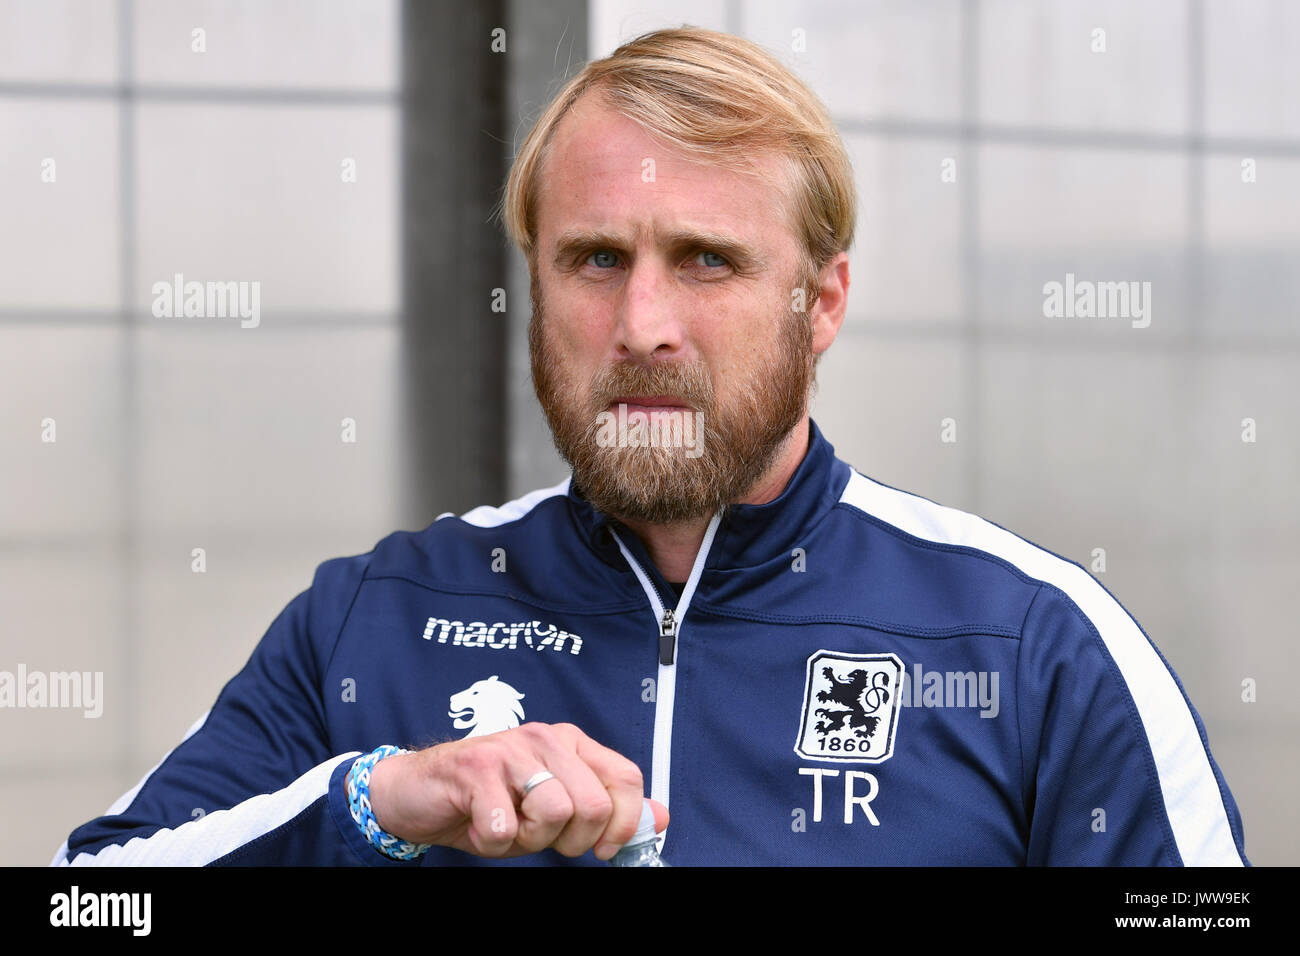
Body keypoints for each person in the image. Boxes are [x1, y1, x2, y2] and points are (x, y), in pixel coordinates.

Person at [54, 26, 1247, 866]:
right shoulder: (375, 618)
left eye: (708, 261)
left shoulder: (1032, 644)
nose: (641, 328)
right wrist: (372, 803)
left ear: (820, 301)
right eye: (594, 259)